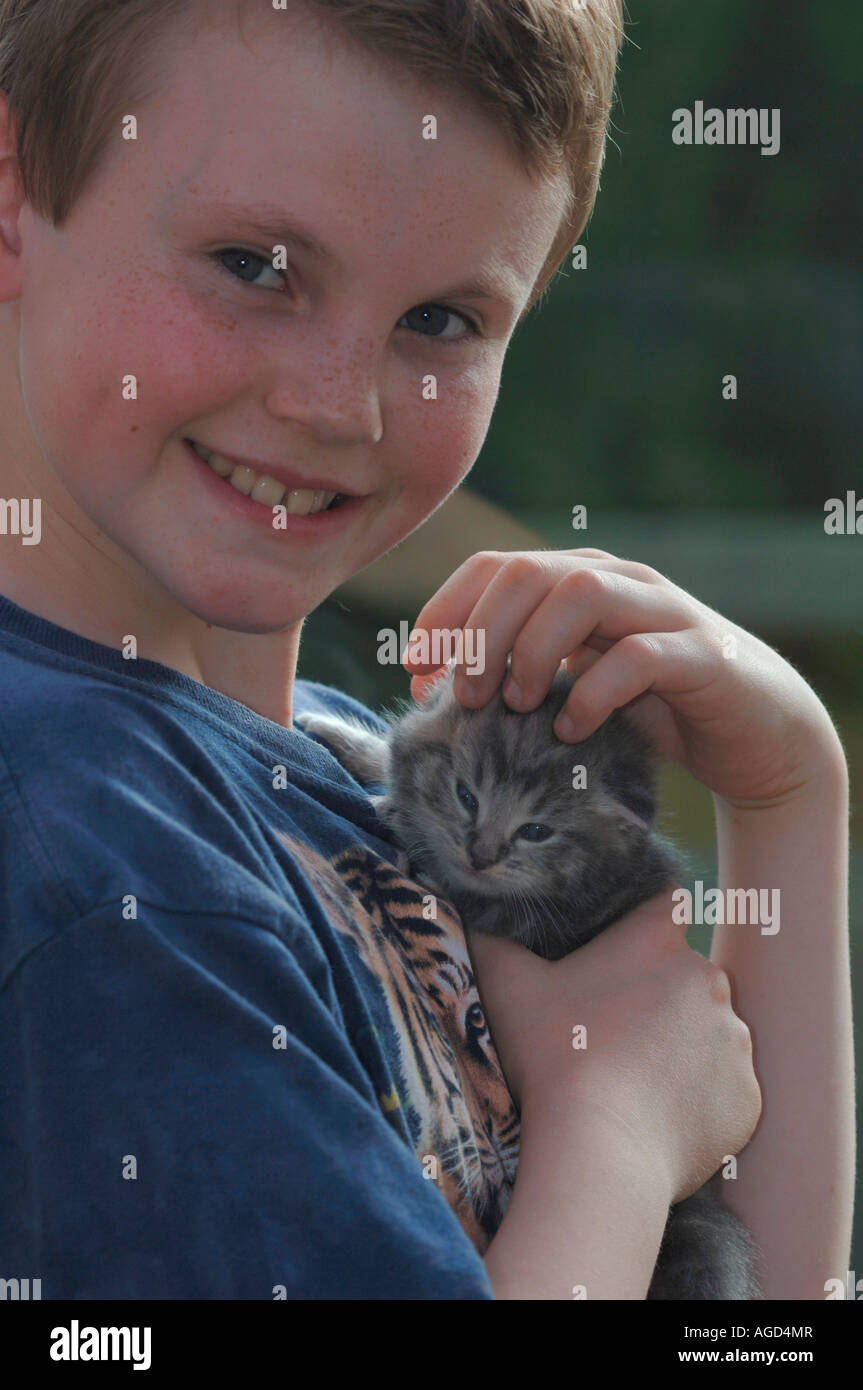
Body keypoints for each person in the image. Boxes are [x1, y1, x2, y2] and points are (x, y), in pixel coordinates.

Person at [0, 0, 851, 1300]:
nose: (335, 402)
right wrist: (616, 1129)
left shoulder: (340, 776)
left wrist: (789, 791)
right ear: (13, 196)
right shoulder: (96, 857)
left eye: (443, 322)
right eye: (253, 264)